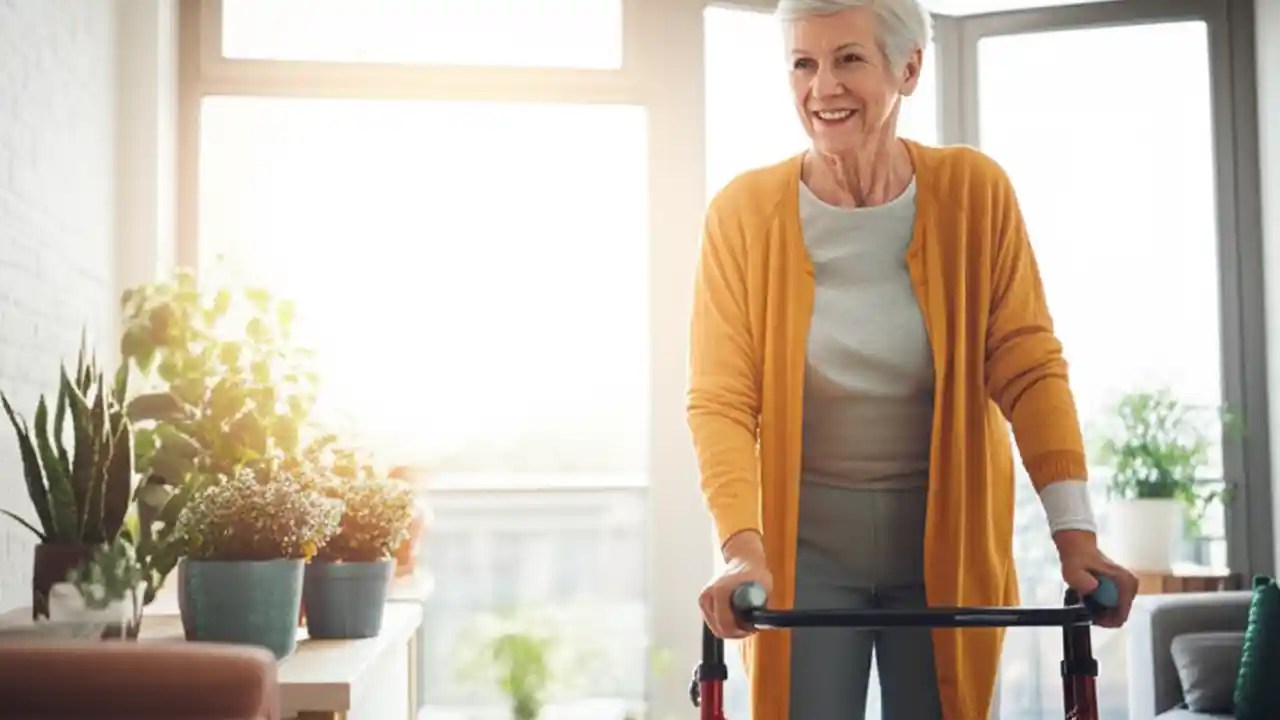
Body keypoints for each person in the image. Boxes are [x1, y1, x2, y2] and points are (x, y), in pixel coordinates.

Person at [686, 1, 1140, 718]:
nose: (821, 87)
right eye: (802, 63)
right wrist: (742, 550)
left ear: (909, 68)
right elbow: (721, 400)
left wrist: (1076, 537)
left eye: (848, 59)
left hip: (945, 540)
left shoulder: (974, 192)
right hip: (804, 552)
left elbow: (1028, 369)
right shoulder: (742, 213)